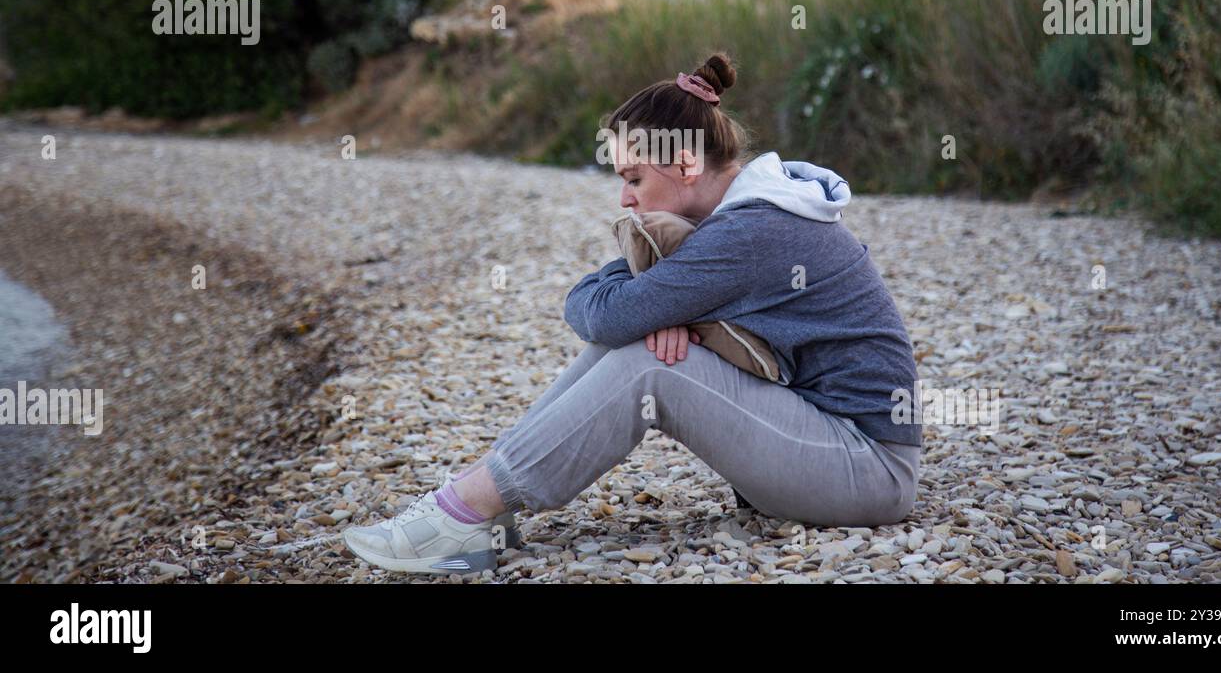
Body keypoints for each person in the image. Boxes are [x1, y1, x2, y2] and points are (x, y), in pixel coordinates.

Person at [343, 52, 923, 575]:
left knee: (651, 360)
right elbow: (590, 308)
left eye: (633, 178)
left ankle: (461, 512)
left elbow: (605, 313)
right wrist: (655, 300)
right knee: (636, 340)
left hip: (868, 472)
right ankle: (477, 505)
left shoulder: (752, 231)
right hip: (818, 450)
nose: (625, 199)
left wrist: (648, 297)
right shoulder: (748, 211)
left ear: (686, 165)